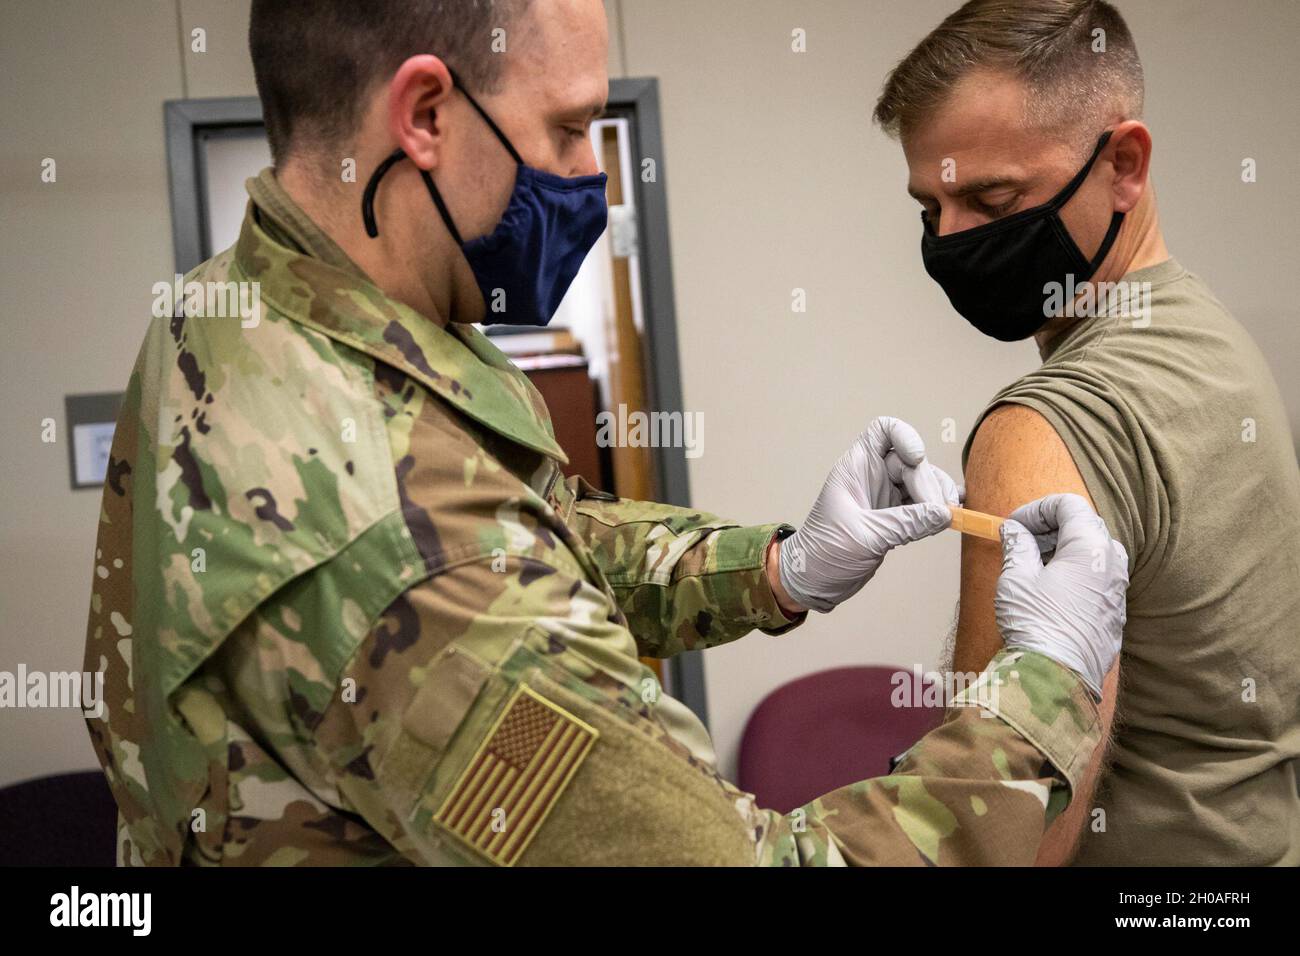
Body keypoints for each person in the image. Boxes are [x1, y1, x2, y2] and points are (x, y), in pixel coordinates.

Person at [82, 0, 1127, 866]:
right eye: (570, 129)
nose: (593, 173)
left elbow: (538, 537)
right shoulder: (399, 558)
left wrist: (775, 566)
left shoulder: (231, 306)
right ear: (426, 114)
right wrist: (1046, 684)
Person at [875, 0, 1300, 865]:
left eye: (990, 197)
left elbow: (1007, 831)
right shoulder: (1212, 338)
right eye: (930, 205)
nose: (950, 240)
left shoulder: (1040, 428)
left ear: (1125, 164)